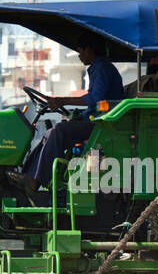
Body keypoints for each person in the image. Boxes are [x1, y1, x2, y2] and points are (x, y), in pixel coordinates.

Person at [22, 36, 124, 189]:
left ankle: (36, 181)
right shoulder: (97, 68)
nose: (79, 55)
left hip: (104, 125)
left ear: (89, 49)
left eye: (80, 50)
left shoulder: (102, 68)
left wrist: (62, 101)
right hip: (96, 120)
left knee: (58, 131)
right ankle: (28, 176)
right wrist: (77, 116)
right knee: (49, 133)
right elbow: (93, 104)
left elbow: (95, 100)